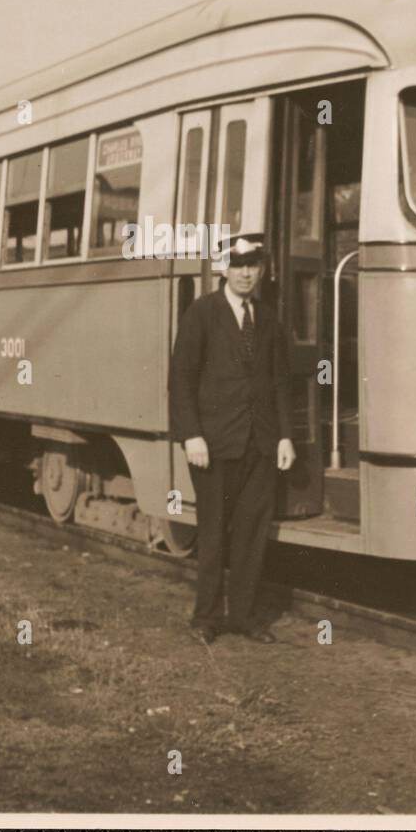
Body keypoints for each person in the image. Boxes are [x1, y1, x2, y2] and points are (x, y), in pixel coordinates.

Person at [169, 232, 296, 644]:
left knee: (251, 533)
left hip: (259, 445)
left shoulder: (268, 318)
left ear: (260, 270)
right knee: (212, 531)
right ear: (224, 268)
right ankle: (205, 618)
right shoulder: (201, 313)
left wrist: (283, 438)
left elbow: (279, 383)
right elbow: (181, 379)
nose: (246, 274)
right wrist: (191, 435)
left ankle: (242, 616)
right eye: (238, 266)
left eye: (253, 266)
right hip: (213, 446)